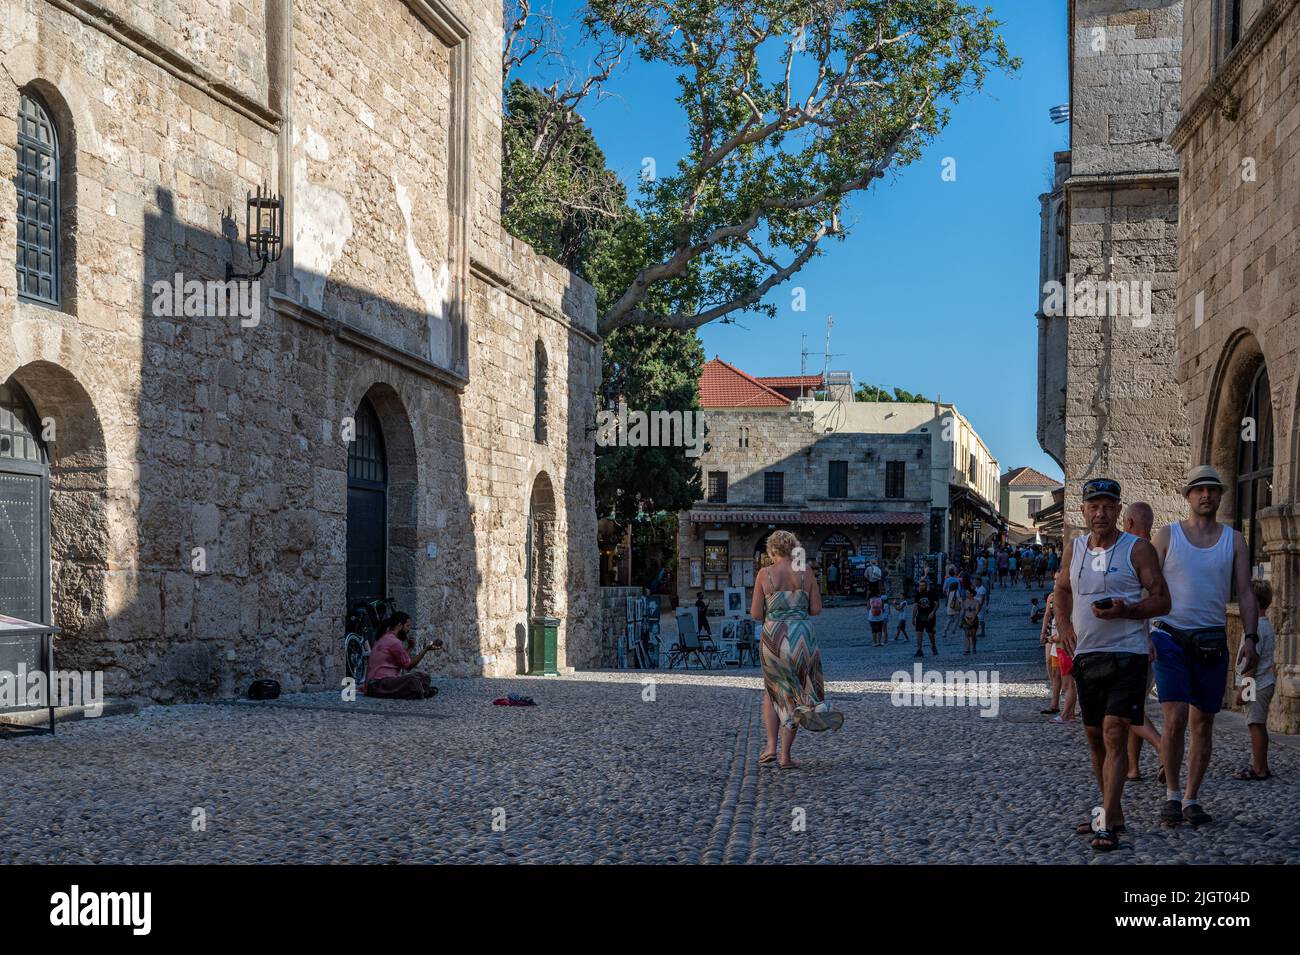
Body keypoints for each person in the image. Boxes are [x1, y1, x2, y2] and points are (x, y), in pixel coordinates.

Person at [1054, 478, 1171, 852]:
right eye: (1094, 506)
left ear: (1119, 510)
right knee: (1094, 739)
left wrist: (1129, 610)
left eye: (1108, 506)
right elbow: (1061, 588)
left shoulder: (1137, 549)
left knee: (1115, 731)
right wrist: (1063, 623)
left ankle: (1106, 821)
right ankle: (1114, 810)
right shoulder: (1074, 550)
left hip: (1128, 654)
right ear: (1084, 510)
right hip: (1087, 656)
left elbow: (1162, 601)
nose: (1100, 512)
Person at [1151, 465, 1259, 827]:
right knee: (1175, 717)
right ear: (1188, 495)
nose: (1206, 495)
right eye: (1199, 489)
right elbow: (1148, 589)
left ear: (1220, 495)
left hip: (1212, 639)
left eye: (1213, 489)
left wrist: (1252, 637)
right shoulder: (1167, 536)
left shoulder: (1235, 540)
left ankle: (1191, 798)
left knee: (1203, 722)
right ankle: (1170, 795)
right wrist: (1141, 634)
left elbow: (1245, 592)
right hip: (1170, 635)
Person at [752, 530, 843, 770]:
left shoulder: (765, 574)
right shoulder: (806, 573)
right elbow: (816, 609)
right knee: (798, 691)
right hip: (802, 637)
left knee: (773, 692)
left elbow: (756, 614)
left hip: (774, 637)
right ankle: (785, 756)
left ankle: (771, 746)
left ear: (772, 551)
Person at [1121, 501, 1165, 783]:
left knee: (1125, 708)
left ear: (1127, 523)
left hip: (1135, 641)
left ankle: (1163, 747)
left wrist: (1146, 636)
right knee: (1136, 705)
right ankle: (1133, 768)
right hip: (1154, 638)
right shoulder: (1158, 550)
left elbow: (1148, 600)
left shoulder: (1133, 552)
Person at [1233, 578, 1275, 781]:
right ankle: (1262, 765)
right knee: (1259, 724)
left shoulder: (1255, 628)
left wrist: (1244, 690)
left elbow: (1252, 663)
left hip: (1257, 684)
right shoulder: (1266, 625)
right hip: (1266, 682)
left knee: (1255, 725)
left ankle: (1259, 768)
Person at [364, 612, 443, 699]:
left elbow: (402, 661)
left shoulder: (386, 638)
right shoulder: (394, 642)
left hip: (382, 683)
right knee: (412, 680)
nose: (408, 630)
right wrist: (425, 650)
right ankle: (420, 691)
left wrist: (409, 648)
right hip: (378, 684)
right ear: (400, 625)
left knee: (423, 677)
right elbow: (408, 666)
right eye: (407, 626)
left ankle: (418, 691)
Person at [1040, 592, 1061, 714]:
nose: (1056, 583)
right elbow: (1047, 614)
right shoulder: (1052, 596)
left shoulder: (1071, 593)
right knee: (1049, 661)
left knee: (1068, 672)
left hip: (1064, 631)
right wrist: (1043, 632)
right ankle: (1055, 702)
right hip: (1051, 631)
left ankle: (1074, 704)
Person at [912, 579, 939, 657]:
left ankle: (933, 646)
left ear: (926, 586)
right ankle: (919, 650)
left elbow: (936, 604)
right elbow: (915, 606)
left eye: (923, 585)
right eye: (920, 585)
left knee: (930, 634)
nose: (921, 587)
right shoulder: (918, 594)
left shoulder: (931, 593)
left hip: (929, 616)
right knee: (919, 633)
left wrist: (933, 612)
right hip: (920, 616)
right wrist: (913, 617)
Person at [959, 589, 981, 654]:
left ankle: (974, 646)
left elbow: (977, 611)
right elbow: (962, 611)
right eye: (966, 593)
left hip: (974, 620)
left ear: (972, 594)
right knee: (967, 634)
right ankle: (966, 649)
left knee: (973, 635)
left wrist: (973, 618)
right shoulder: (964, 602)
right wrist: (962, 619)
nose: (966, 594)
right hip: (966, 619)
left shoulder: (977, 602)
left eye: (968, 593)